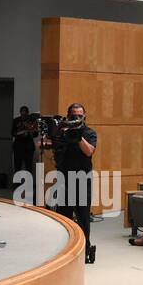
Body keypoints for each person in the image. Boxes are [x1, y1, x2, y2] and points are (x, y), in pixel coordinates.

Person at [53, 102, 98, 263]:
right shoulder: (63, 132)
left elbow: (89, 151)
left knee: (82, 216)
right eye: (74, 116)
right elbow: (48, 145)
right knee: (63, 216)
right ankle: (64, 250)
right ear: (68, 116)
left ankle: (85, 250)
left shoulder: (89, 132)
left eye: (80, 115)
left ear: (84, 117)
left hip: (82, 179)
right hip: (64, 178)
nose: (77, 118)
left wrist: (78, 136)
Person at [11, 106, 38, 183]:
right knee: (17, 167)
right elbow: (12, 133)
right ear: (20, 112)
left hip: (28, 146)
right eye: (22, 112)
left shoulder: (32, 121)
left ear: (27, 113)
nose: (23, 113)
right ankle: (17, 185)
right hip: (18, 146)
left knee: (29, 167)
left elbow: (36, 134)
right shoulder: (16, 120)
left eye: (25, 112)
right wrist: (20, 134)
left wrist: (29, 133)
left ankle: (28, 185)